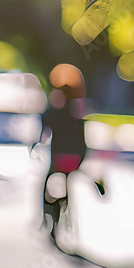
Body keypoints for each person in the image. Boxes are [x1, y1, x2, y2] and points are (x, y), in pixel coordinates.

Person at [39, 64, 89, 242]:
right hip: (74, 160)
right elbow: (83, 141)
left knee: (45, 182)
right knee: (69, 186)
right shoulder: (78, 113)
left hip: (58, 159)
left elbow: (44, 128)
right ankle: (68, 214)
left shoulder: (55, 112)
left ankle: (45, 212)